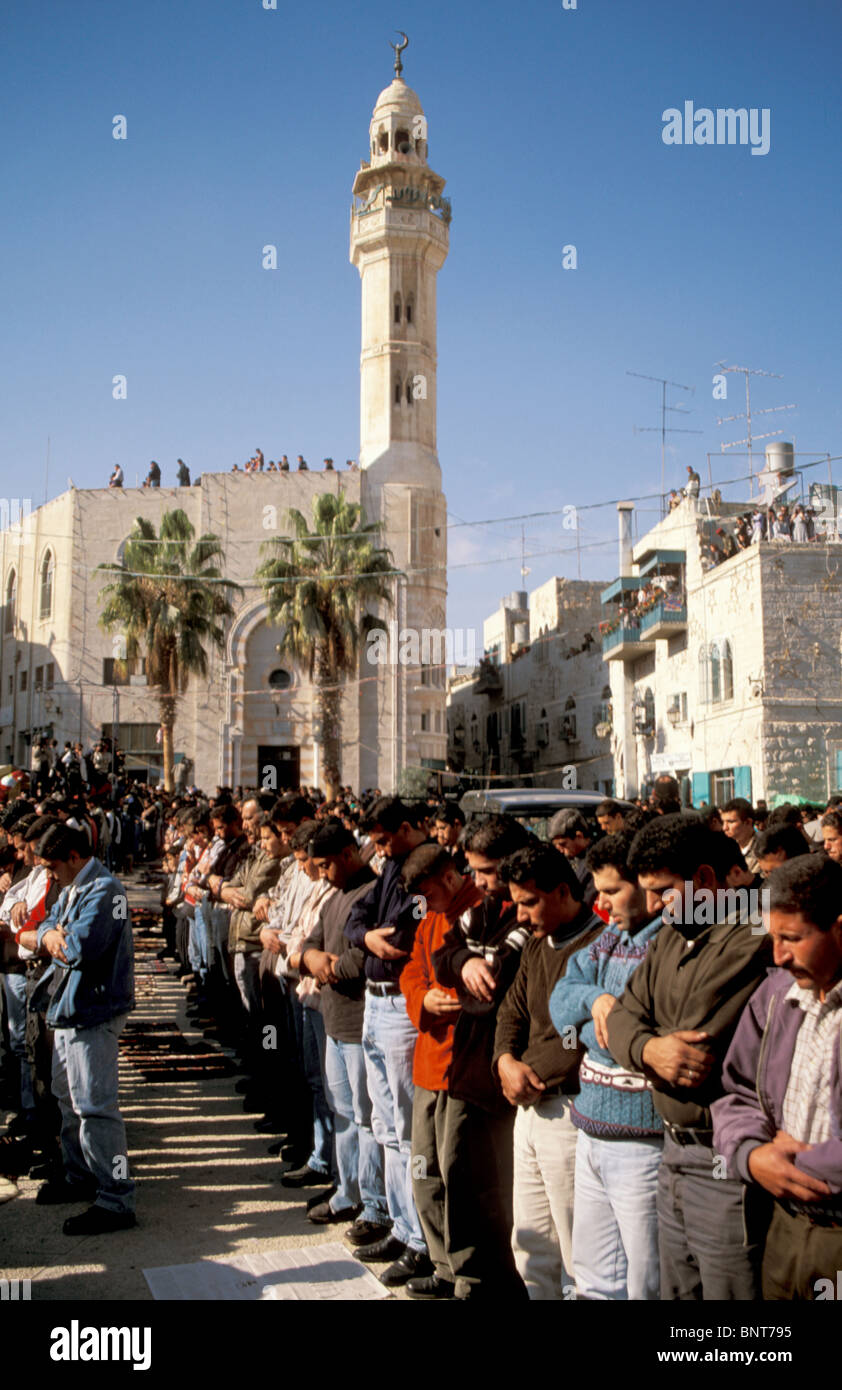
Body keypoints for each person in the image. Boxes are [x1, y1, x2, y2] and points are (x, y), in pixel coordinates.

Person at [605, 815, 773, 1300]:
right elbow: (621, 1016)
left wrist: (641, 1039)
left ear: (703, 879)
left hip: (723, 1160)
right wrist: (648, 1047)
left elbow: (694, 1040)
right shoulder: (673, 936)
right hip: (673, 1150)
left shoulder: (752, 937)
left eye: (662, 892)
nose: (653, 907)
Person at [713, 855, 842, 1299]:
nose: (778, 955)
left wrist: (795, 1164)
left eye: (792, 938)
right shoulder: (774, 995)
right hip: (784, 1228)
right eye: (773, 938)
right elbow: (737, 1092)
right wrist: (751, 1155)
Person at [550, 829, 664, 1300]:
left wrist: (603, 1006)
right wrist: (595, 998)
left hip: (641, 1138)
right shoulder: (612, 938)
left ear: (646, 885)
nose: (602, 902)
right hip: (593, 1125)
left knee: (645, 1280)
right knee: (594, 1275)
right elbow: (562, 1002)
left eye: (613, 890)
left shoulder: (666, 944)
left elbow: (631, 1023)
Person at [493, 842, 603, 1299]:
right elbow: (511, 1012)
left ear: (562, 891)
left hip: (571, 1114)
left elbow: (581, 1040)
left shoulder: (602, 947)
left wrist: (526, 1070)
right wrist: (505, 1061)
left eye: (529, 902)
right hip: (530, 1113)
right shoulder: (538, 946)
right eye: (516, 902)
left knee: (580, 1257)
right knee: (531, 1247)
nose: (520, 915)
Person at [431, 813, 533, 1301]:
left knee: (506, 1191)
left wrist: (470, 970)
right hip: (468, 1069)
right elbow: (445, 957)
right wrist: (466, 961)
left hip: (506, 1076)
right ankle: (469, 1277)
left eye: (487, 871)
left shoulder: (526, 915)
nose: (478, 882)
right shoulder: (481, 911)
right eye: (473, 871)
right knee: (460, 1175)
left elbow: (499, 988)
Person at [32, 823, 136, 1233]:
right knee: (68, 1099)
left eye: (53, 867)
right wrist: (51, 935)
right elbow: (47, 926)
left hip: (93, 1009)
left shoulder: (107, 891)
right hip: (69, 1008)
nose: (49, 876)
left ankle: (117, 1196)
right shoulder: (77, 886)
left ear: (74, 857)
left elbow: (81, 947)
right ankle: (80, 1176)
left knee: (97, 1108)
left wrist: (53, 938)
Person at [343, 797, 430, 1285]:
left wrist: (374, 938)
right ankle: (400, 1224)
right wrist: (365, 938)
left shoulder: (423, 869)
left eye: (382, 838)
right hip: (375, 1000)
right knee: (385, 1123)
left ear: (403, 829)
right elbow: (360, 915)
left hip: (401, 1001)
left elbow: (401, 934)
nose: (378, 849)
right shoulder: (391, 865)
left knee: (405, 1123)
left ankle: (420, 1237)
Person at [398, 843, 482, 1299]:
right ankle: (442, 1265)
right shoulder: (431, 914)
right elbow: (412, 966)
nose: (426, 905)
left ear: (450, 878)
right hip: (429, 1058)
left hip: (463, 1064)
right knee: (425, 1170)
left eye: (430, 894)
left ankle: (468, 1274)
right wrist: (421, 1000)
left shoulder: (483, 910)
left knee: (458, 1175)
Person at [300, 821, 388, 1245]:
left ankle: (375, 1204)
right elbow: (308, 944)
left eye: (325, 865)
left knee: (368, 1117)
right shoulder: (334, 896)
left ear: (347, 855)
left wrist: (329, 967)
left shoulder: (371, 894)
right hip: (333, 1018)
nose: (320, 874)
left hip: (358, 1020)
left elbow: (363, 955)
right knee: (343, 1112)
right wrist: (314, 959)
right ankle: (347, 1191)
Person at [548, 809, 596, 908]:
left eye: (563, 844)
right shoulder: (571, 857)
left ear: (579, 836)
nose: (560, 850)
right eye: (556, 846)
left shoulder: (596, 861)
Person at [721, 797, 760, 874]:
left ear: (748, 822)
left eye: (730, 822)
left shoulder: (765, 849)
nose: (724, 828)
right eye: (723, 822)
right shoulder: (724, 848)